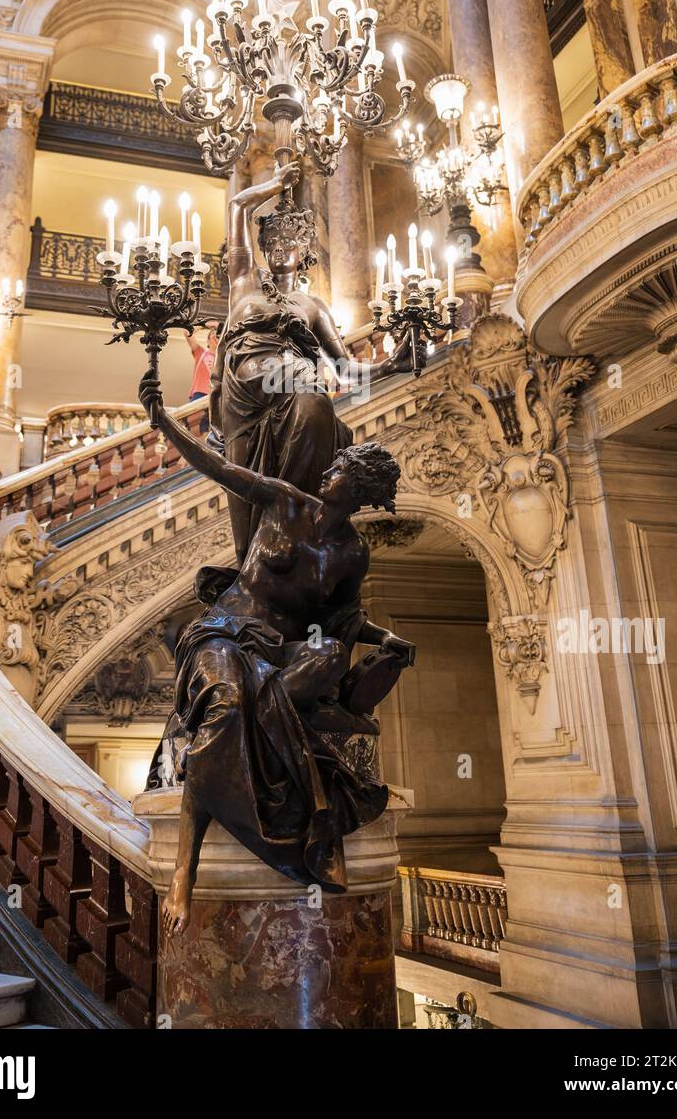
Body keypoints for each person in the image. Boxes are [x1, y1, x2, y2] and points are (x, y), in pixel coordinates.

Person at [139, 368, 415, 935]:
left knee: (331, 657)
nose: (329, 469)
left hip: (282, 649)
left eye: (340, 470)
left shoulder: (351, 553)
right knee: (227, 702)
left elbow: (345, 620)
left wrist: (385, 641)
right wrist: (164, 420)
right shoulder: (286, 503)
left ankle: (278, 779)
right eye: (334, 465)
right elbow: (220, 468)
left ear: (356, 491)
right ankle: (184, 871)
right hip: (225, 631)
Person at [212, 160, 409, 563]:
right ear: (263, 248)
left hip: (294, 393)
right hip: (243, 401)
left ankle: (295, 522)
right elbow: (237, 207)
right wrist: (274, 185)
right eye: (274, 241)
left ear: (304, 251)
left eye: (291, 241)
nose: (281, 247)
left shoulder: (313, 305)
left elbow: (343, 368)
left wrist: (388, 366)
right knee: (244, 519)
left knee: (314, 398)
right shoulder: (243, 282)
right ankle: (249, 582)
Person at [187, 321, 219, 432]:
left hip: (214, 396)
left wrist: (220, 327)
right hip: (199, 393)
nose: (215, 338)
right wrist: (203, 326)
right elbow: (187, 333)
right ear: (208, 341)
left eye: (217, 336)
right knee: (194, 425)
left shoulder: (223, 359)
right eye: (212, 336)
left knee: (210, 428)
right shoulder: (200, 352)